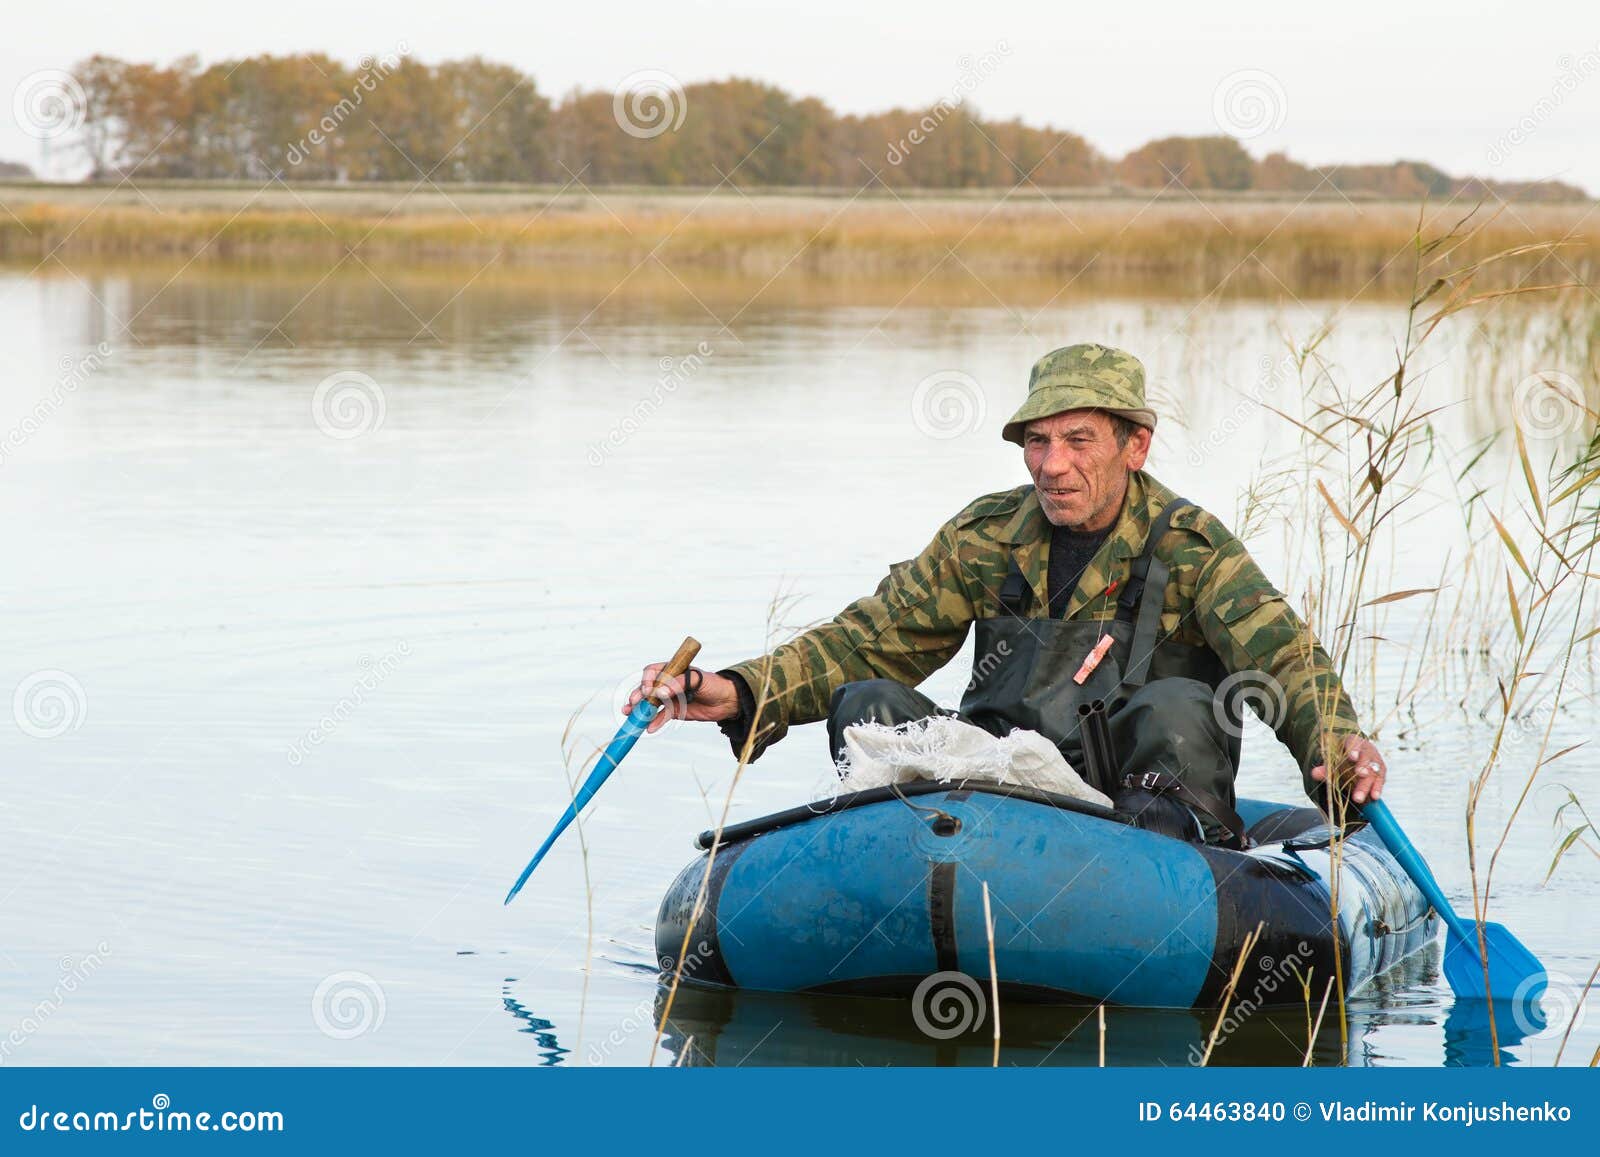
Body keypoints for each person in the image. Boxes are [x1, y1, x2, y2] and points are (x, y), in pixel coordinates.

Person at [624, 343, 1386, 846]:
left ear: (1135, 445)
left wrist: (1335, 746)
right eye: (1037, 441)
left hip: (1135, 824)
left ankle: (1149, 892)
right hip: (998, 801)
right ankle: (907, 876)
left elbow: (1285, 658)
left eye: (1078, 440)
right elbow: (869, 636)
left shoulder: (1191, 545)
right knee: (865, 700)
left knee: (1180, 704)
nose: (1052, 465)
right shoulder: (985, 536)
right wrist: (738, 687)